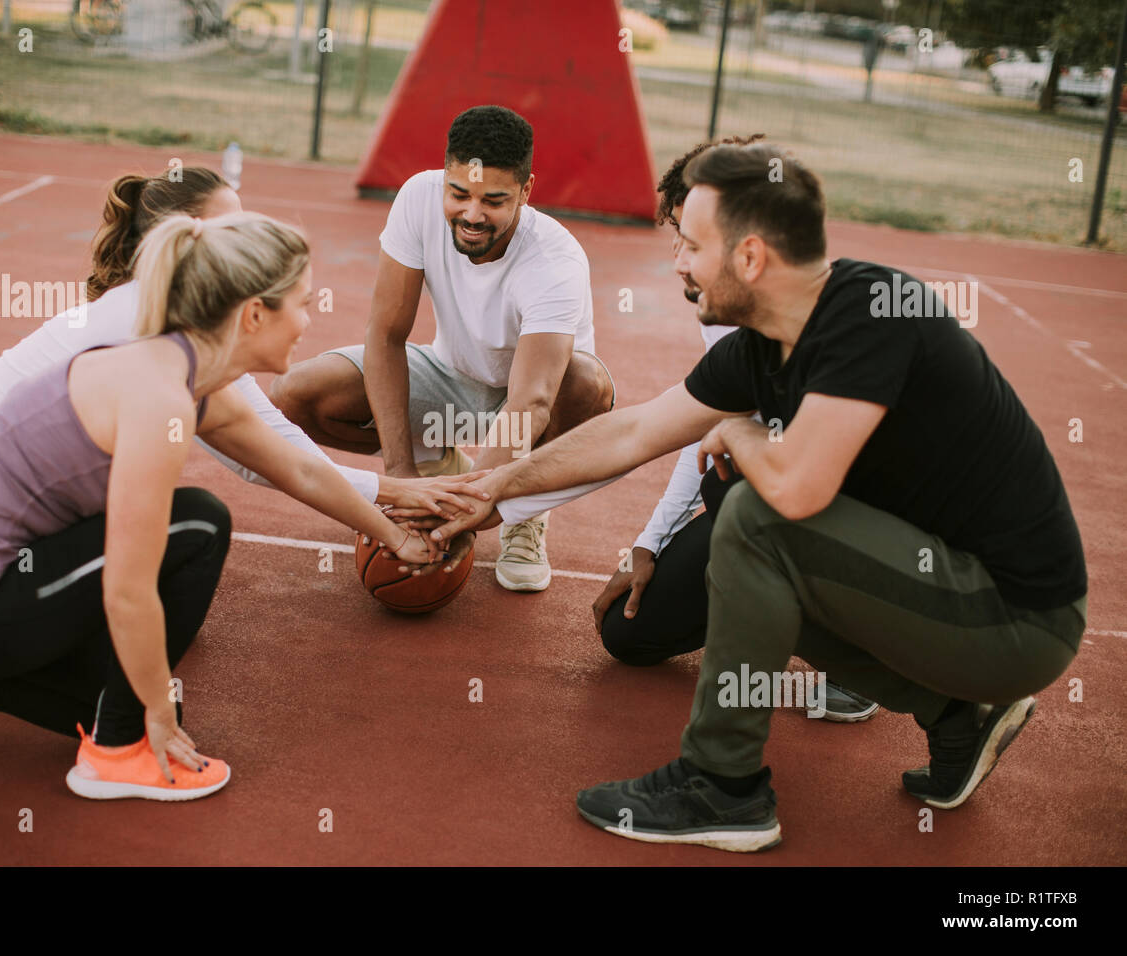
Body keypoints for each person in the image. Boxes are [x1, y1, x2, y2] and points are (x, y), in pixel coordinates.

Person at [429, 141, 1087, 851]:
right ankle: (956, 715)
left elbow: (796, 489)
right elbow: (636, 430)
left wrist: (740, 435)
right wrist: (487, 489)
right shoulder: (759, 345)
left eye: (690, 245)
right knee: (748, 560)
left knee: (753, 515)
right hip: (946, 599)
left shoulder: (869, 314)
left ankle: (724, 785)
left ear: (748, 259)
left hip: (1016, 621)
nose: (677, 262)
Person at [0, 211, 439, 800]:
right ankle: (117, 755)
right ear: (252, 314)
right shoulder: (160, 399)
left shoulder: (180, 369)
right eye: (300, 302)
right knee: (196, 527)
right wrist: (155, 720)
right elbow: (127, 587)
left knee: (130, 690)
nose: (306, 320)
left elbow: (297, 467)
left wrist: (394, 534)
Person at [0, 167, 480, 527]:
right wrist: (394, 498)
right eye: (229, 230)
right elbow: (281, 462)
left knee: (174, 541)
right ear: (179, 240)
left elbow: (269, 457)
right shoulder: (154, 324)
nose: (247, 238)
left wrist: (388, 500)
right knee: (174, 544)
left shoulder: (179, 315)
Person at [270, 105, 615, 593]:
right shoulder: (417, 198)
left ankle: (524, 513)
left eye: (494, 200)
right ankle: (438, 467)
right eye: (459, 195)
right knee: (294, 394)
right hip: (451, 379)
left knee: (586, 383)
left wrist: (461, 510)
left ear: (527, 190)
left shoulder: (555, 260)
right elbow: (386, 335)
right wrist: (402, 481)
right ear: (445, 177)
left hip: (534, 404)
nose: (472, 215)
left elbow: (531, 400)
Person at [591, 140, 879, 722]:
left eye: (691, 240)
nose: (677, 257)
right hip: (777, 500)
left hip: (861, 519)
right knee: (630, 634)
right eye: (676, 235)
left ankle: (864, 654)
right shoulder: (725, 315)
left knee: (734, 486)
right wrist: (649, 543)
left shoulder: (839, 316)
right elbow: (676, 430)